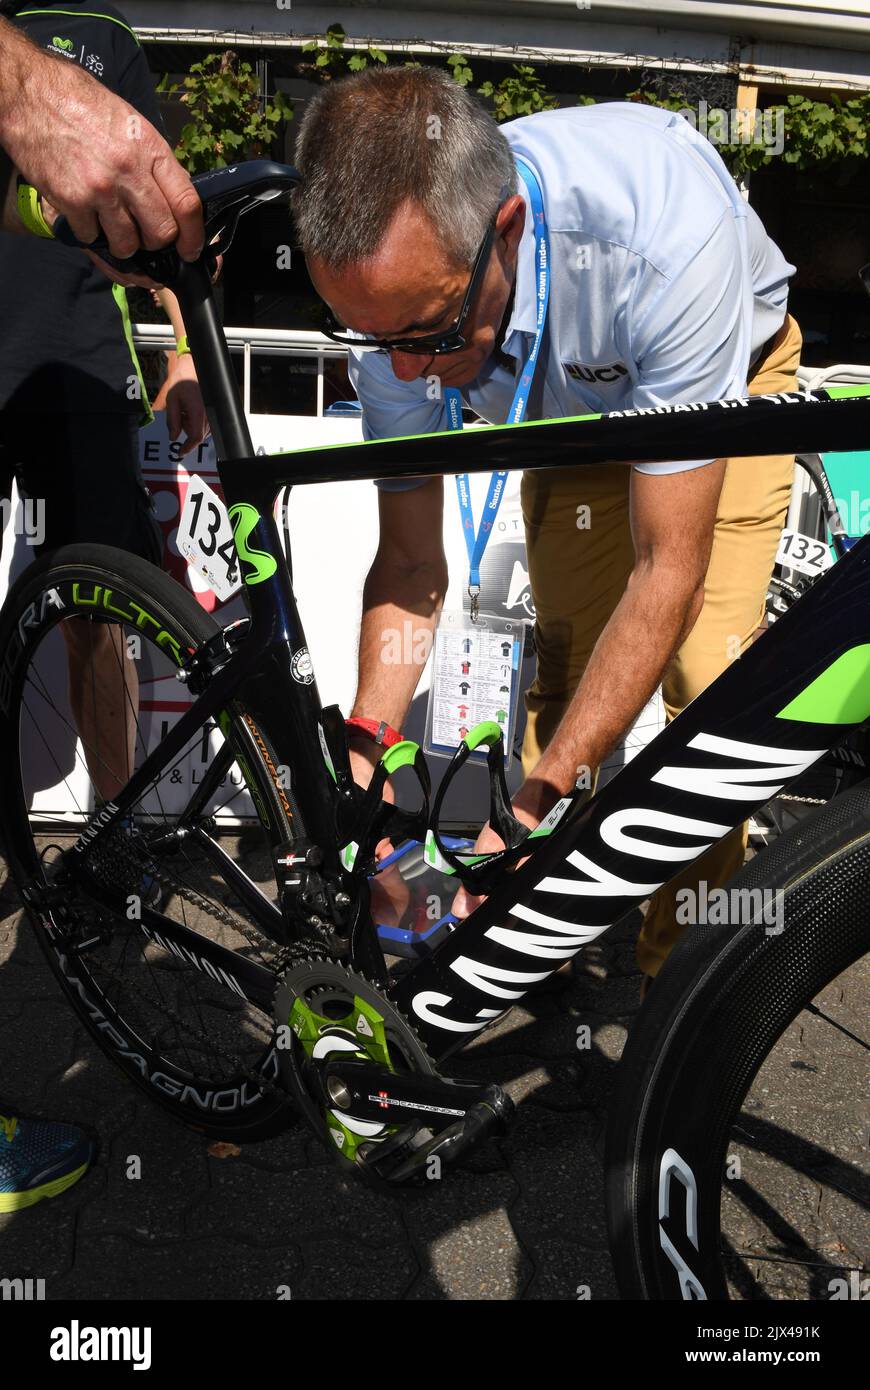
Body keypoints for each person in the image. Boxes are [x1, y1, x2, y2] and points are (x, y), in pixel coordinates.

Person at [291, 66, 801, 983]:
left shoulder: (660, 237)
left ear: (506, 233)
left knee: (705, 689)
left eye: (432, 332)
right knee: (565, 678)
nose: (404, 374)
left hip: (725, 380)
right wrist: (365, 755)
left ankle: (677, 986)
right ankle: (522, 946)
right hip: (575, 411)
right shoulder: (395, 301)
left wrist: (531, 804)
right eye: (375, 340)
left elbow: (666, 570)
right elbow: (410, 565)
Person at [0, 0, 202, 1211]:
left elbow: (152, 192)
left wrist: (181, 350)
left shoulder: (94, 33)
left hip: (80, 354)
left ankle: (118, 833)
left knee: (99, 613)